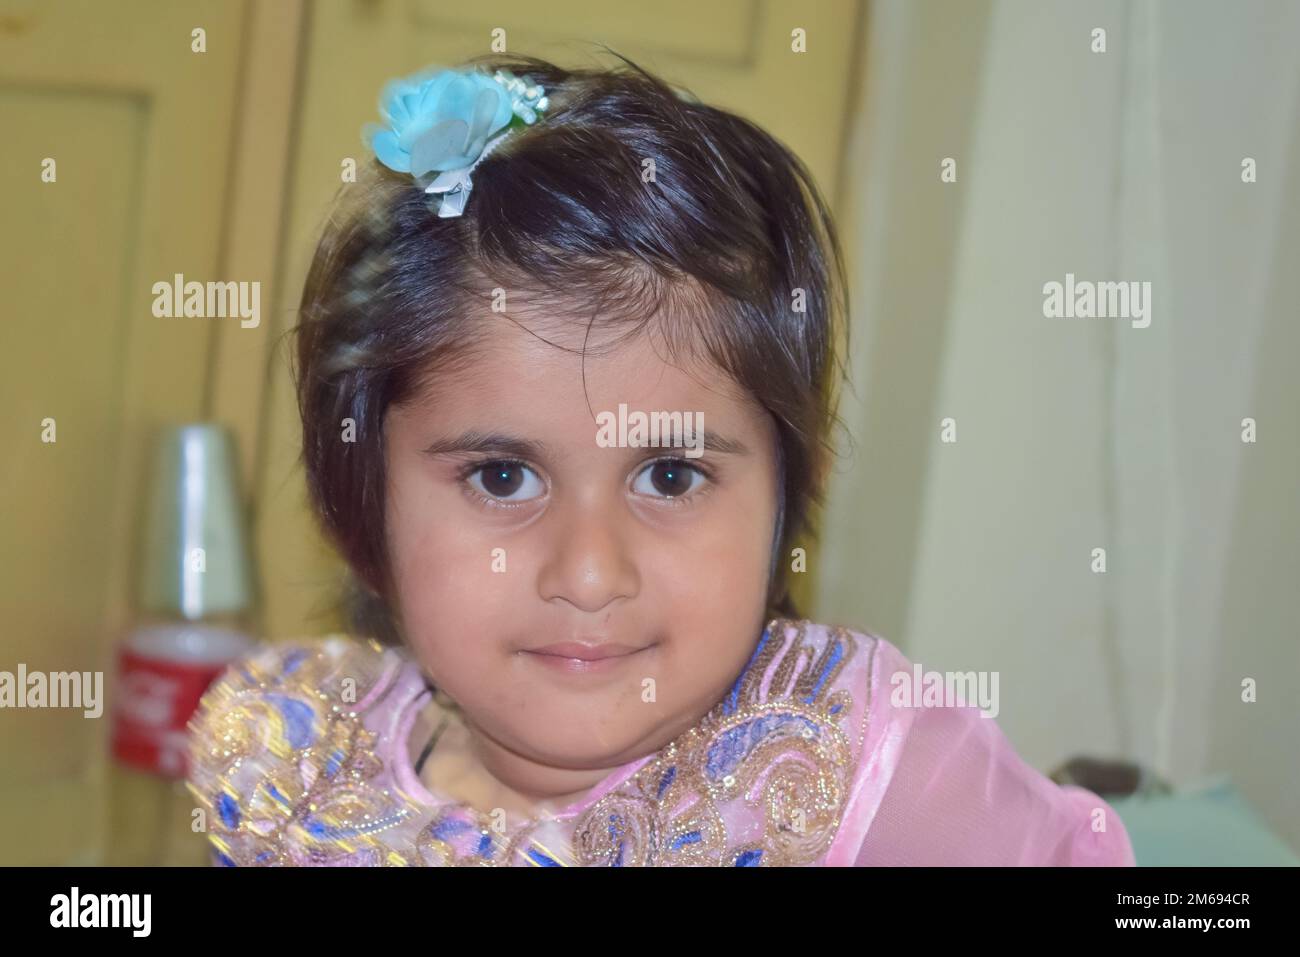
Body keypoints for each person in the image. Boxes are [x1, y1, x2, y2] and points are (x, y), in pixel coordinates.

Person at [186, 53, 1135, 867]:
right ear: (363, 509)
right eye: (502, 476)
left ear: (781, 502)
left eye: (671, 476)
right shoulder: (303, 764)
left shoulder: (860, 758)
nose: (591, 571)